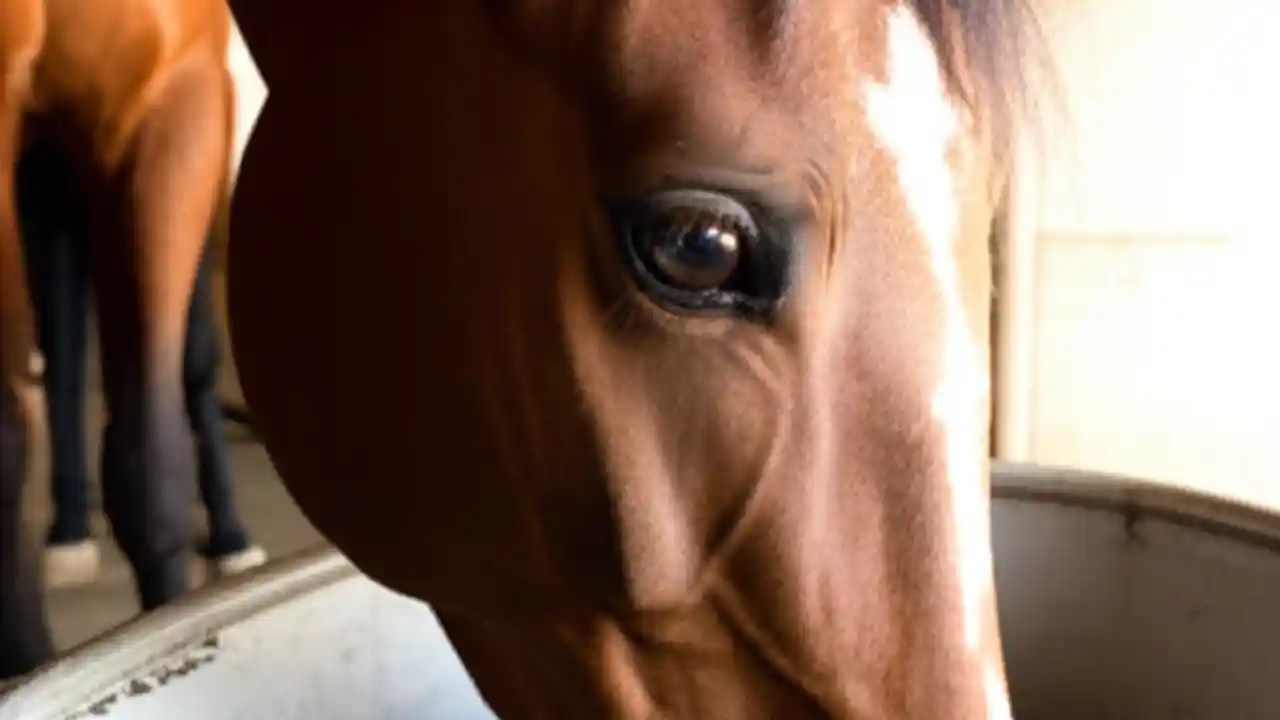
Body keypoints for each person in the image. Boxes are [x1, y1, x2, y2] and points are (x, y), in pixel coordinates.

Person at [16, 138, 266, 589]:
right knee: (183, 366)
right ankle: (226, 526)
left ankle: (72, 521)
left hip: (59, 163)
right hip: (153, 160)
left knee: (69, 354)